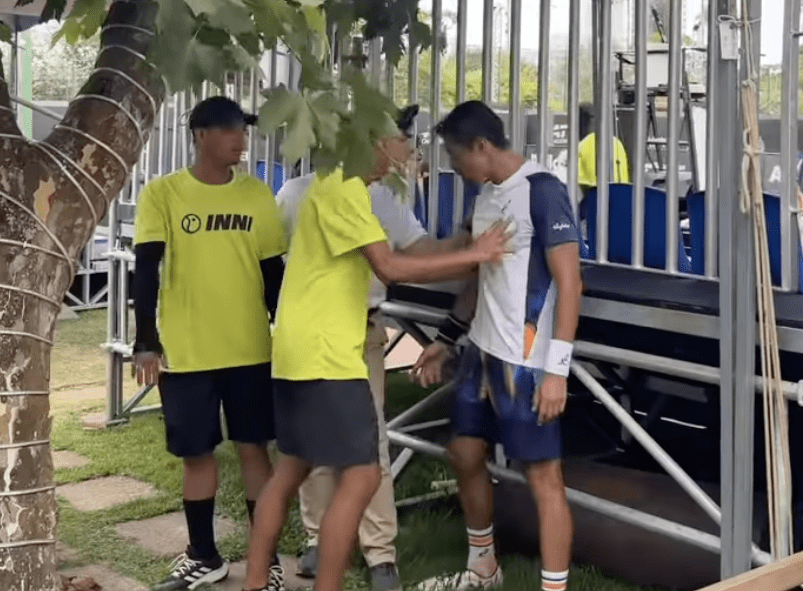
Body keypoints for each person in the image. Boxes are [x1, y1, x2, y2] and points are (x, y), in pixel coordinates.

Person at [242, 113, 508, 591]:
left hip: (299, 351)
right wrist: (477, 255)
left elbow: (410, 253)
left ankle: (255, 582)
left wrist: (466, 242)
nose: (408, 150)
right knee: (363, 475)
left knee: (291, 469)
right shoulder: (343, 191)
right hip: (327, 355)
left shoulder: (343, 189)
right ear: (375, 142)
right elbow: (391, 268)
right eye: (401, 140)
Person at [411, 101, 583, 591]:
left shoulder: (542, 191)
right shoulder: (484, 195)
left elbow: (570, 284)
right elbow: (479, 276)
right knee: (464, 453)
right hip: (480, 354)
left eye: (455, 155)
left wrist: (557, 371)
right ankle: (483, 568)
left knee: (544, 478)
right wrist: (446, 339)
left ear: (482, 146)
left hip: (526, 362)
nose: (454, 166)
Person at [132, 96, 287, 591]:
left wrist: (287, 333)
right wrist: (145, 340)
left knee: (254, 451)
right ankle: (203, 556)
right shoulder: (163, 193)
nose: (241, 140)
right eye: (230, 130)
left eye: (243, 130)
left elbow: (273, 274)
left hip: (249, 350)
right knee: (196, 455)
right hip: (187, 352)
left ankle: (266, 562)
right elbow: (146, 269)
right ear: (201, 136)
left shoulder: (257, 194)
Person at [577, 103, 630, 228]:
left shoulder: (583, 145)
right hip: (620, 205)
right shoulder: (617, 143)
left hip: (593, 204)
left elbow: (579, 188)